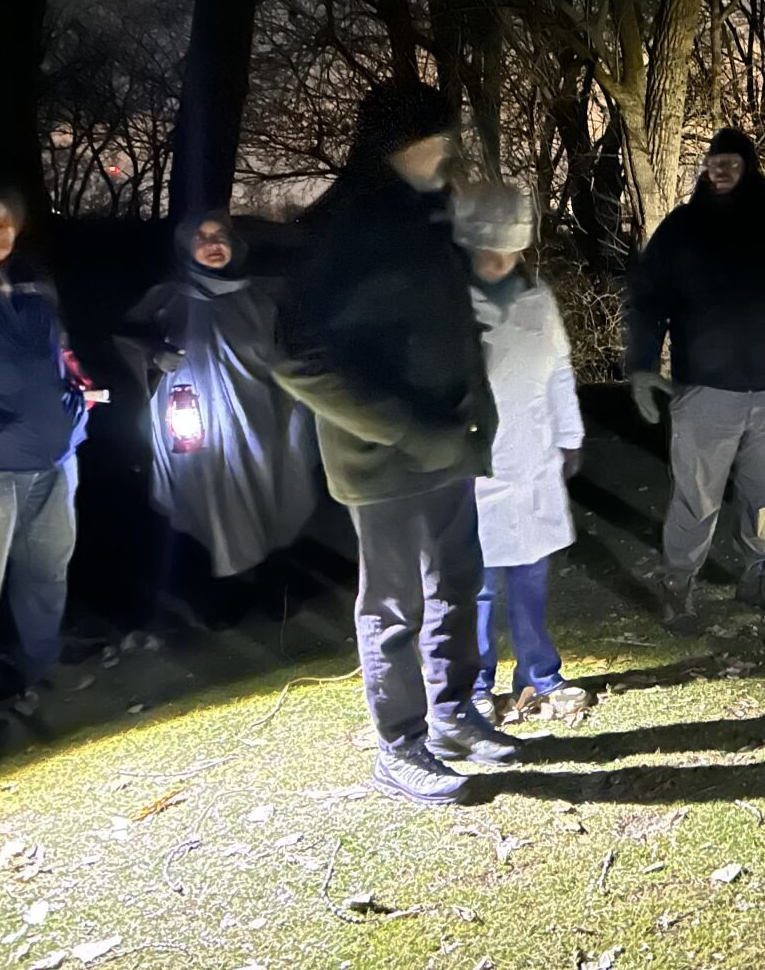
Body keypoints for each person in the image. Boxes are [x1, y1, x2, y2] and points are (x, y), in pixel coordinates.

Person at [277, 81, 515, 805]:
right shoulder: (336, 229)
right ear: (390, 143)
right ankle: (400, 743)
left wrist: (481, 404)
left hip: (449, 444)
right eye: (433, 139)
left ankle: (454, 712)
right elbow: (297, 357)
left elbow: (452, 319)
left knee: (456, 583)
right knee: (393, 605)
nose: (446, 153)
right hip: (384, 460)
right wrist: (410, 427)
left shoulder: (427, 214)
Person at [625, 127, 765, 635]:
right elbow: (647, 300)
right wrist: (640, 366)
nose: (720, 169)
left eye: (731, 161)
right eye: (714, 161)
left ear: (749, 166)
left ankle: (757, 577)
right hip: (707, 387)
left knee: (763, 493)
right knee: (696, 495)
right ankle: (678, 585)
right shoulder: (683, 228)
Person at [115, 213, 319, 622]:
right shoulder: (167, 298)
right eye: (201, 237)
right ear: (184, 246)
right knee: (204, 504)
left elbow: (282, 356)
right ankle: (219, 595)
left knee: (264, 497)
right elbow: (126, 339)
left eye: (220, 235)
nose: (212, 243)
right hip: (195, 428)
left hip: (254, 421)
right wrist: (154, 354)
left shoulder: (258, 299)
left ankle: (268, 584)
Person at [0, 181, 90, 723]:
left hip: (55, 457)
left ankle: (39, 664)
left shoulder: (27, 281)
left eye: (11, 222)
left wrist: (77, 394)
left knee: (47, 572)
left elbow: (59, 352)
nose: (4, 232)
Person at [451, 183, 592, 723]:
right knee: (481, 588)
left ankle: (539, 672)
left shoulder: (538, 303)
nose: (495, 260)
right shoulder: (455, 307)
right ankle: (478, 682)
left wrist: (570, 437)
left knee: (530, 581)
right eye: (485, 249)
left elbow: (559, 372)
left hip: (534, 464)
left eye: (505, 250)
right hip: (478, 472)